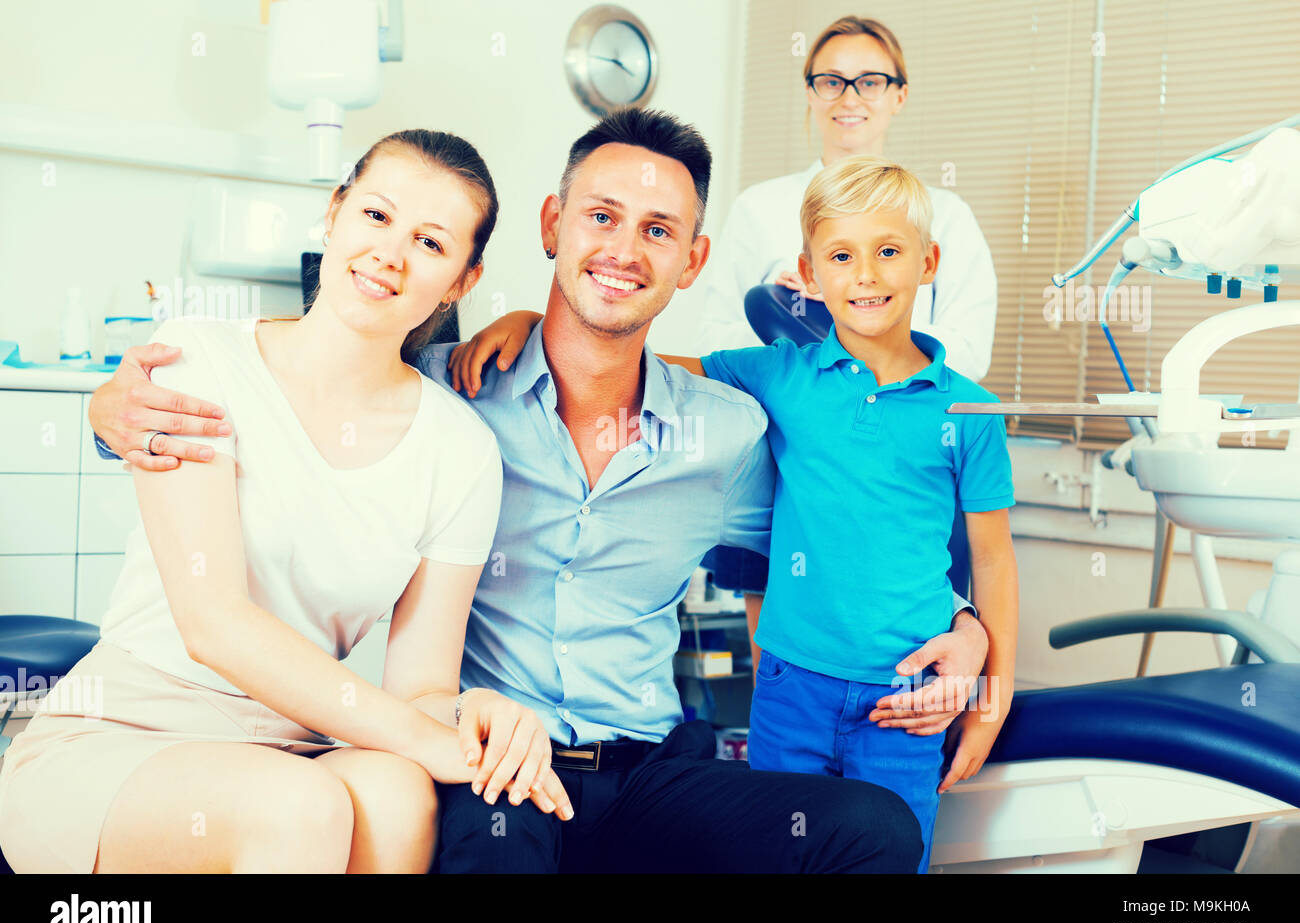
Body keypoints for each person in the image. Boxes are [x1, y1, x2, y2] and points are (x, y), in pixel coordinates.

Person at [83, 108, 991, 873]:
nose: (624, 250)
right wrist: (114, 407)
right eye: (601, 216)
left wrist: (963, 624)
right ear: (553, 223)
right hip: (494, 769)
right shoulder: (443, 396)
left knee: (872, 830)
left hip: (651, 772)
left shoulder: (727, 432)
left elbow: (847, 525)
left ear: (694, 259)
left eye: (658, 231)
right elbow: (306, 373)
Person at [0, 129, 573, 875]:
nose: (390, 255)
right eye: (375, 216)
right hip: (126, 732)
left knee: (400, 794)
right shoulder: (199, 358)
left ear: (463, 280)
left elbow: (422, 688)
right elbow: (213, 625)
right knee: (301, 806)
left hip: (292, 739)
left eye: (430, 243)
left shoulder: (461, 450)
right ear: (333, 215)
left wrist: (469, 716)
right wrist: (425, 736)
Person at [450, 154, 1020, 873]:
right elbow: (638, 355)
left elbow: (992, 557)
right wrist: (537, 319)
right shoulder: (775, 376)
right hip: (791, 688)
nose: (867, 275)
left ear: (928, 261)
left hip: (904, 685)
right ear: (809, 276)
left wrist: (983, 679)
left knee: (882, 839)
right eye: (842, 257)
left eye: (888, 254)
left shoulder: (967, 409)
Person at [694, 15, 997, 377]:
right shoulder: (757, 208)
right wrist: (789, 316)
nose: (849, 98)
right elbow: (714, 344)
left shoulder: (946, 215)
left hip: (903, 422)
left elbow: (969, 355)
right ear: (810, 92)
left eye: (870, 82)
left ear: (899, 95)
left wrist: (848, 314)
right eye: (831, 81)